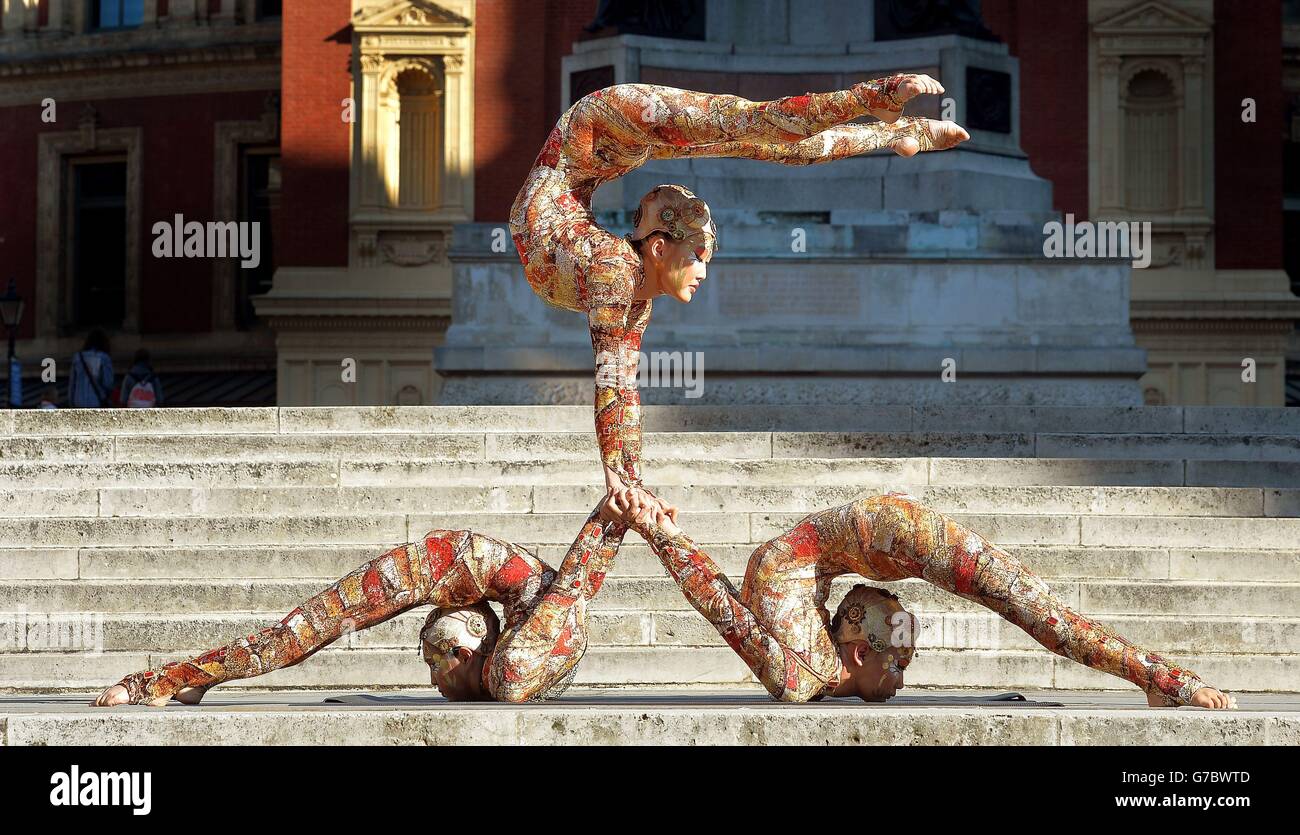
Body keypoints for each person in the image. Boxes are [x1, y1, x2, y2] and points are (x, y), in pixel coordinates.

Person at [509, 75, 967, 524]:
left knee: (768, 139)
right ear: (659, 248)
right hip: (608, 123)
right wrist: (622, 479)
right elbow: (615, 379)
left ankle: (895, 129)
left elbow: (619, 380)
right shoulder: (615, 272)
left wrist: (625, 481)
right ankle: (879, 102)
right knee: (756, 126)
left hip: (604, 148)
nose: (704, 271)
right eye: (698, 257)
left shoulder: (623, 277)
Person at [609, 489, 1237, 709]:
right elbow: (727, 603)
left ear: (857, 654)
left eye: (901, 660)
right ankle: (1158, 677)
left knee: (1034, 612)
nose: (906, 673)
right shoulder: (819, 663)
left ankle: (1160, 677)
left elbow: (719, 605)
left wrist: (661, 532)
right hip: (863, 542)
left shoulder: (802, 673)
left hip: (879, 537)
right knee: (1029, 608)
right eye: (903, 659)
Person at [92, 492, 638, 706]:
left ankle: (179, 678)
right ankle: (165, 679)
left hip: (468, 574)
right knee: (302, 634)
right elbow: (571, 587)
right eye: (433, 664)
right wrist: (612, 519)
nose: (431, 680)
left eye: (431, 665)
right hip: (446, 563)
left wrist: (615, 520)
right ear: (469, 652)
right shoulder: (513, 663)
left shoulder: (511, 665)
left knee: (303, 634)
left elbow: (570, 589)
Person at [68, 329, 114, 408]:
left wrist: (71, 403)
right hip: (96, 402)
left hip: (78, 403)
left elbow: (72, 384)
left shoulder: (77, 357)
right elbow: (108, 383)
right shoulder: (104, 358)